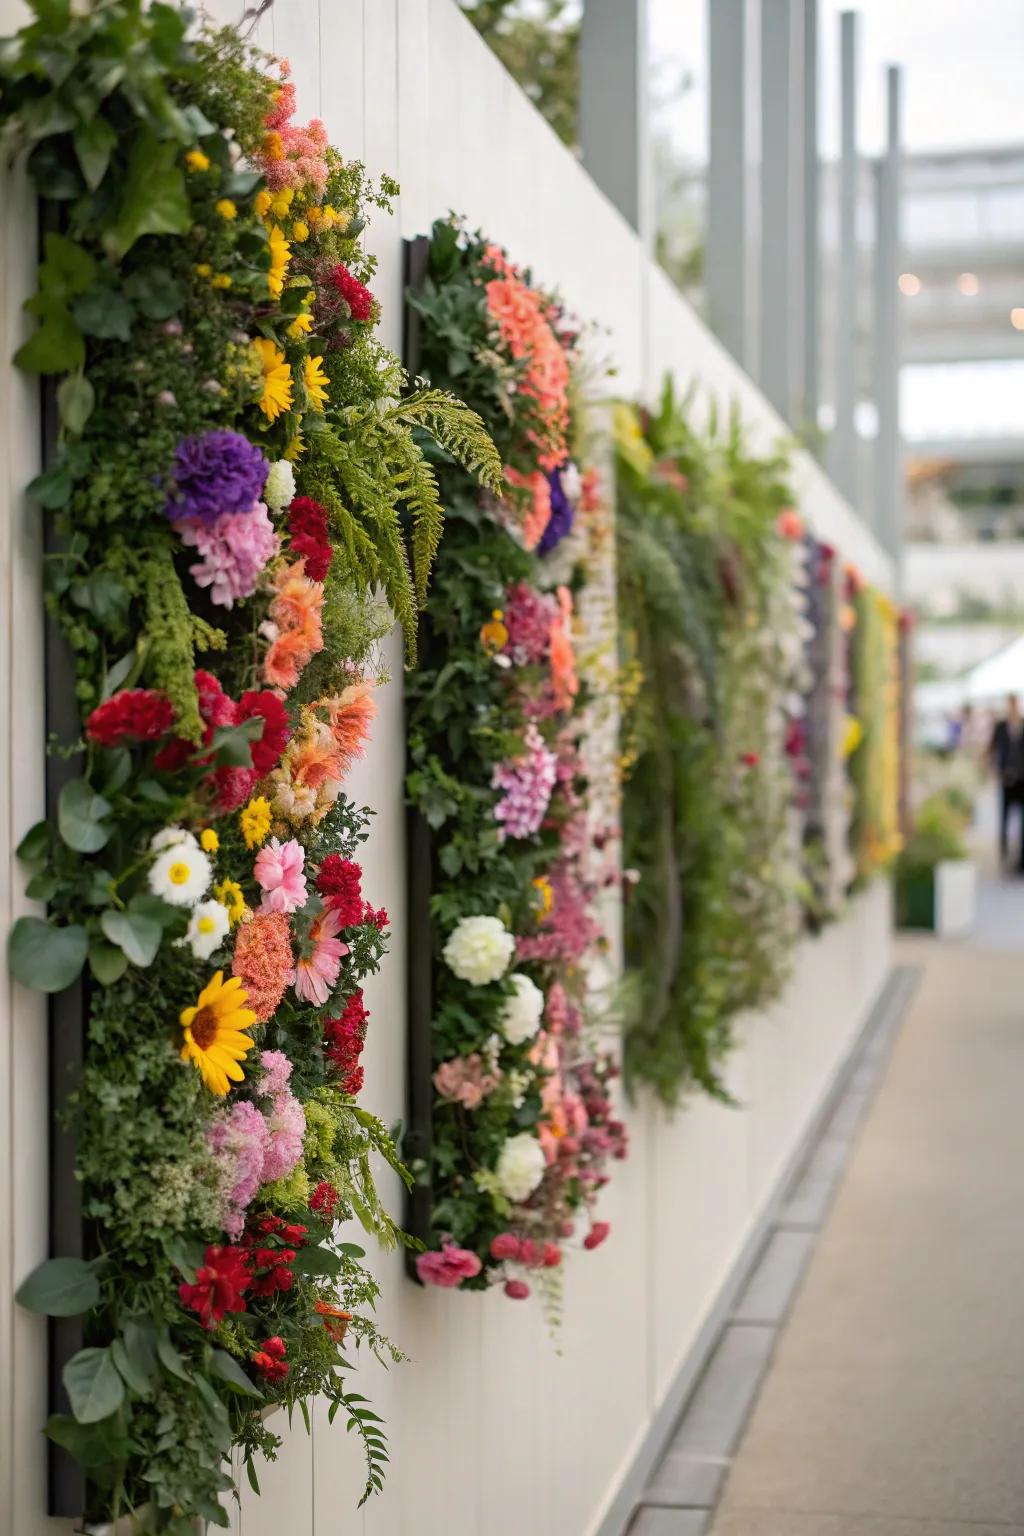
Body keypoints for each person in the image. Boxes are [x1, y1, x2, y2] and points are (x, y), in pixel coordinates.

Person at [989, 694, 1024, 870]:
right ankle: (1004, 851)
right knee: (1004, 816)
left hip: (1022, 779)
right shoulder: (1001, 726)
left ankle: (1021, 858)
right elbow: (992, 748)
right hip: (1006, 778)